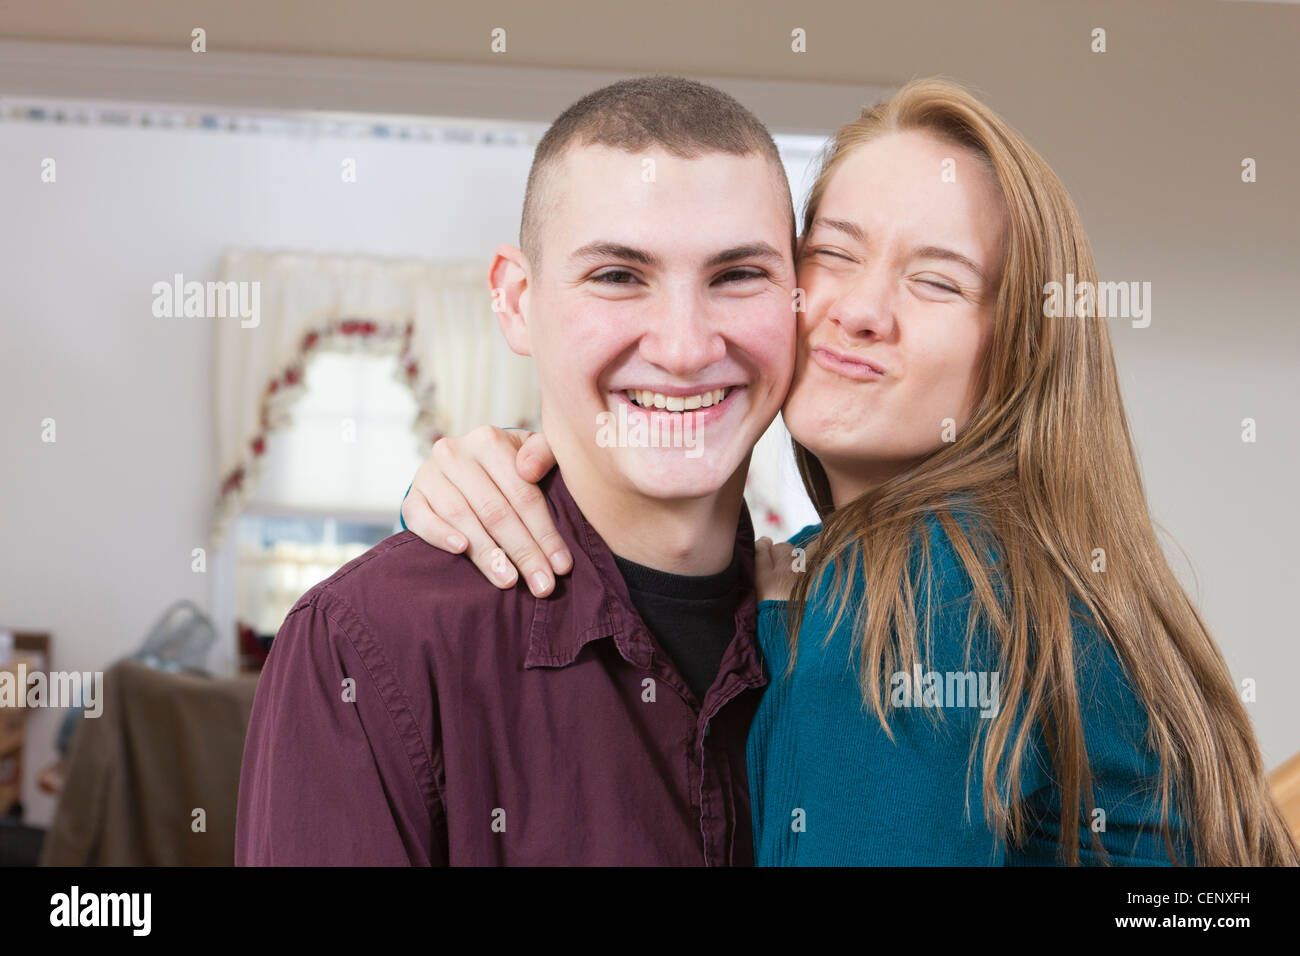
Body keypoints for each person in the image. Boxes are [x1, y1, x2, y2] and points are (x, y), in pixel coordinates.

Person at [399, 78, 1300, 865]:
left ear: (1017, 350)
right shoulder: (981, 563)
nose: (864, 309)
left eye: (938, 280)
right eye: (833, 253)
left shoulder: (917, 592)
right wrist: (475, 483)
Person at [235, 75, 800, 865]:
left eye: (738, 275)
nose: (684, 346)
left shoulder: (851, 634)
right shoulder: (366, 645)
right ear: (516, 301)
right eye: (617, 275)